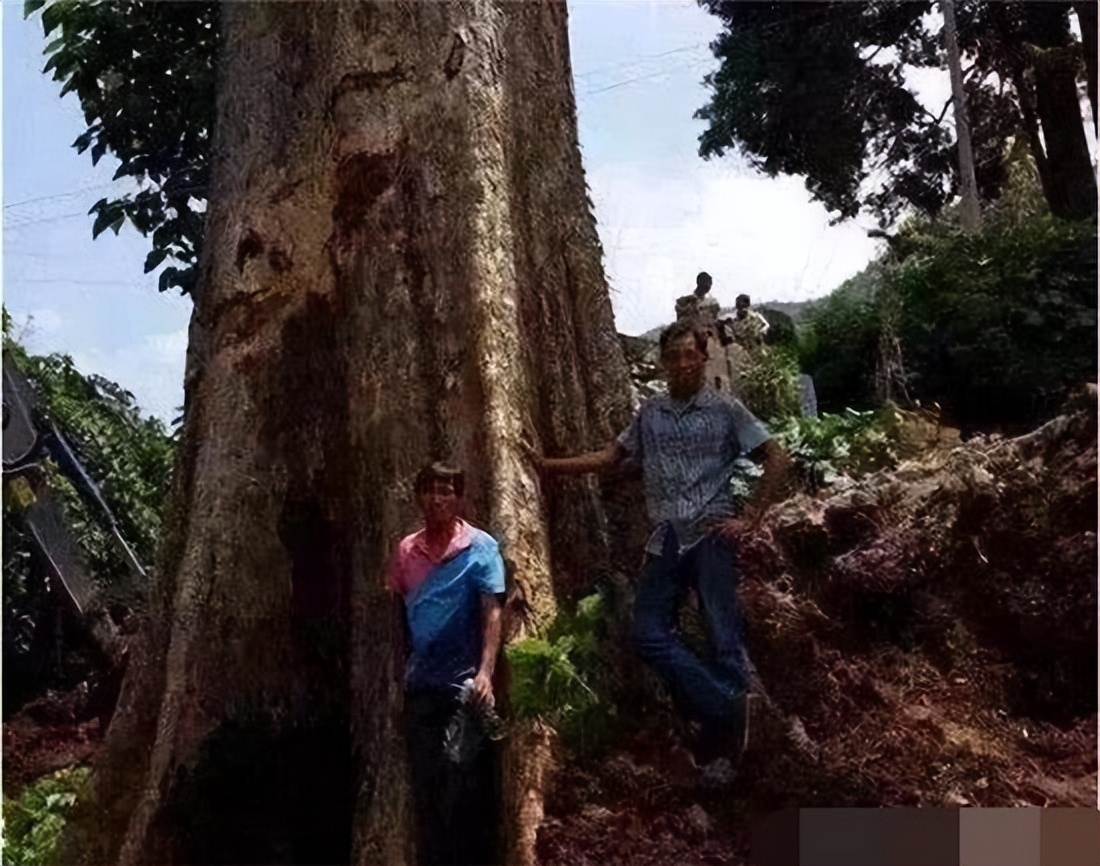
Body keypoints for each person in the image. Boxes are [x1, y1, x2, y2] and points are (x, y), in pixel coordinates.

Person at [534, 321, 789, 780]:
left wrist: (751, 518)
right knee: (648, 635)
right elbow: (612, 458)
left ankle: (730, 753)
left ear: (703, 357)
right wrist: (546, 467)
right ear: (663, 362)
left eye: (690, 355)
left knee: (723, 638)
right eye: (672, 356)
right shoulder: (650, 412)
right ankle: (731, 709)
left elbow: (776, 456)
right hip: (667, 538)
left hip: (713, 536)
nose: (682, 364)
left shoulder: (725, 409)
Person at [387, 462, 505, 865]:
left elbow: (492, 610)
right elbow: (399, 616)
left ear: (459, 498)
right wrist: (396, 677)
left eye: (447, 490)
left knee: (463, 778)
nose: (438, 498)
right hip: (422, 686)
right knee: (427, 785)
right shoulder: (407, 551)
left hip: (464, 685)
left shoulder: (481, 547)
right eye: (431, 490)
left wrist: (486, 672)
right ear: (419, 496)